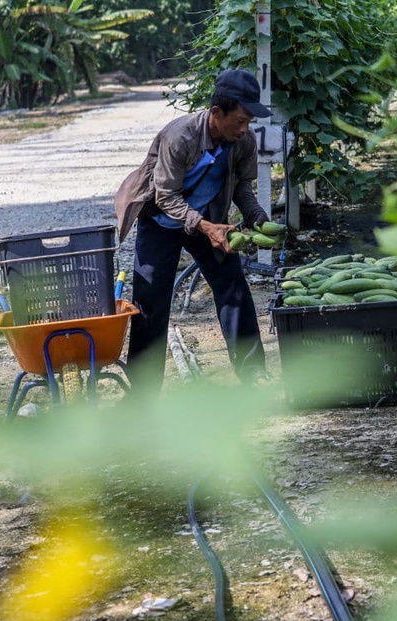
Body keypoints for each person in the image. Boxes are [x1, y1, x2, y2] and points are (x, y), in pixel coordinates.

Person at [114, 69, 273, 391]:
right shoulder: (180, 137)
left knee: (232, 285)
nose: (245, 129)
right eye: (239, 121)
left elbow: (242, 187)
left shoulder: (243, 142)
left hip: (207, 218)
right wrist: (206, 227)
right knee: (150, 302)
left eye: (248, 122)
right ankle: (143, 391)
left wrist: (256, 215)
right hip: (160, 219)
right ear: (216, 113)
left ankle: (254, 373)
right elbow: (165, 196)